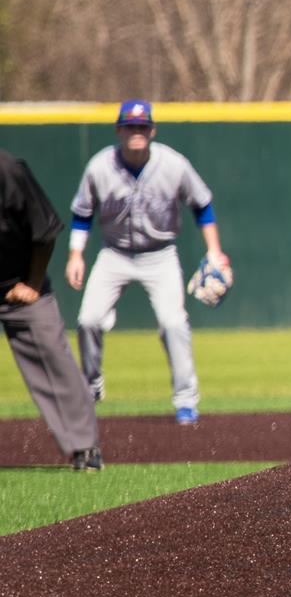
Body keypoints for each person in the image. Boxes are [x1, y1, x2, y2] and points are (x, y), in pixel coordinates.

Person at [66, 100, 230, 424]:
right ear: (119, 130)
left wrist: (214, 251)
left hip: (160, 255)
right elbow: (82, 213)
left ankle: (186, 402)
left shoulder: (173, 164)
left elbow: (203, 205)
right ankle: (92, 384)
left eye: (142, 126)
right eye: (130, 126)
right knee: (88, 320)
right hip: (114, 253)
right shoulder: (100, 167)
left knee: (173, 324)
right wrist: (75, 254)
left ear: (152, 131)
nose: (136, 132)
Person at [0, 148, 102, 470]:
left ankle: (84, 449)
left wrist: (31, 284)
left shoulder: (8, 171)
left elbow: (44, 232)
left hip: (18, 283)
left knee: (52, 358)